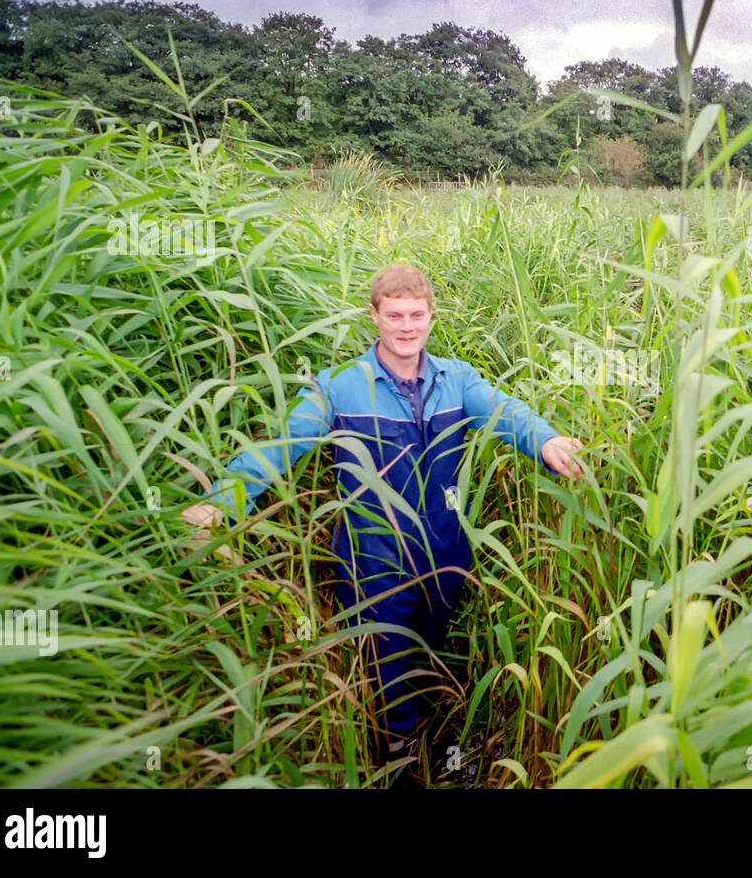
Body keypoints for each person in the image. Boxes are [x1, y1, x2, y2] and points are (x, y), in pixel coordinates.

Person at [181, 263, 583, 762]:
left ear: (432, 316)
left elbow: (508, 412)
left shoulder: (456, 381)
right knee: (385, 664)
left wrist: (547, 440)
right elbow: (282, 445)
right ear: (375, 316)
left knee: (435, 651)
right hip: (374, 557)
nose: (407, 326)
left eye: (417, 314)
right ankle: (399, 755)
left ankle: (444, 737)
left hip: (446, 550)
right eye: (395, 315)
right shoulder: (340, 387)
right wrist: (222, 501)